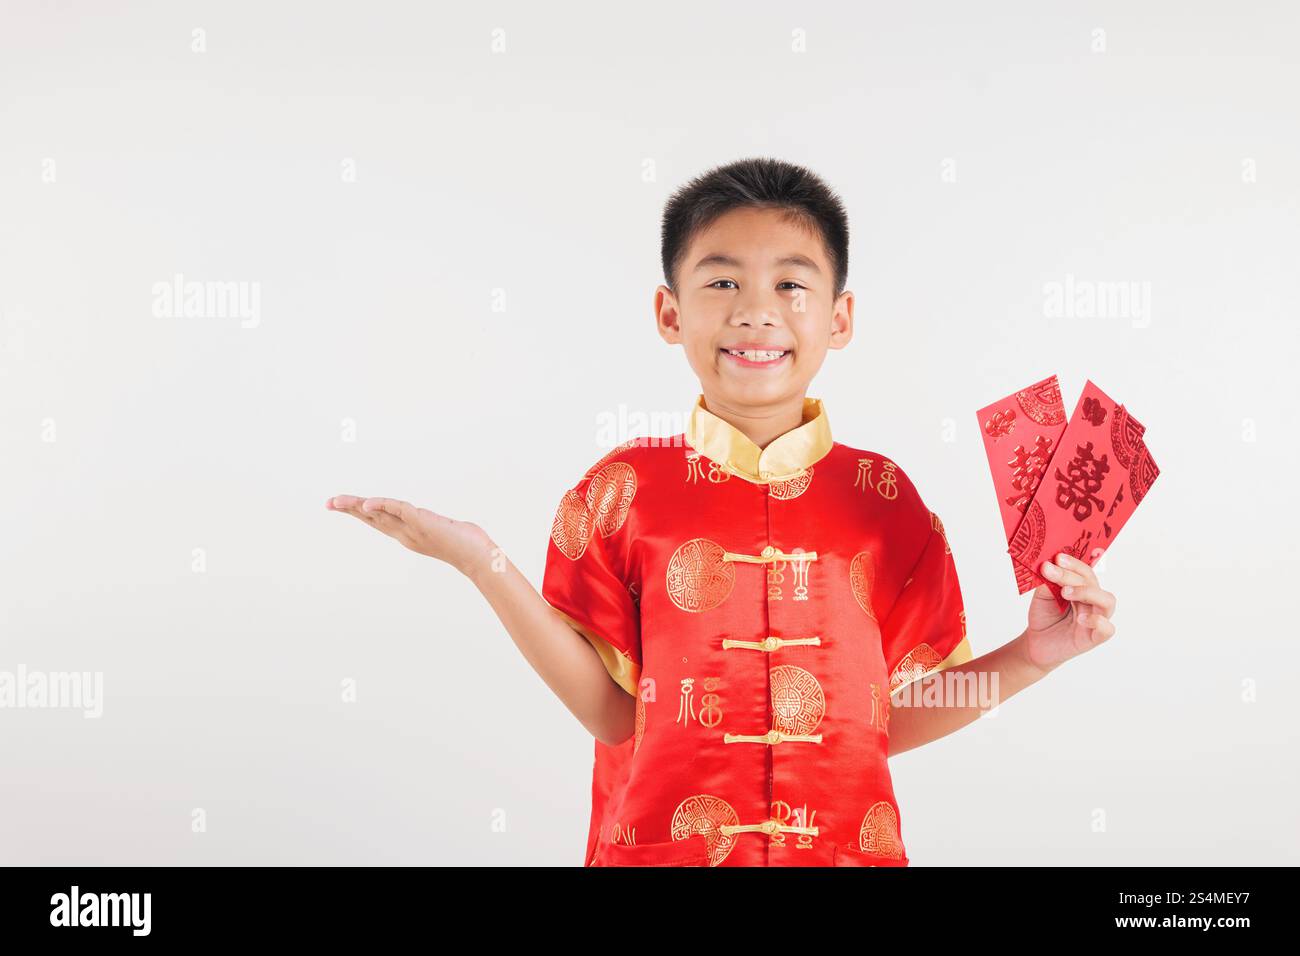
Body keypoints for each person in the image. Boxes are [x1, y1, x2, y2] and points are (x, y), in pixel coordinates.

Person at [326, 157, 1118, 866]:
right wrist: (482, 562)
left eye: (792, 284)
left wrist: (1033, 654)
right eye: (722, 281)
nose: (756, 312)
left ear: (838, 319)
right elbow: (608, 714)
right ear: (671, 314)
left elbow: (894, 718)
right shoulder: (617, 491)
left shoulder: (887, 499)